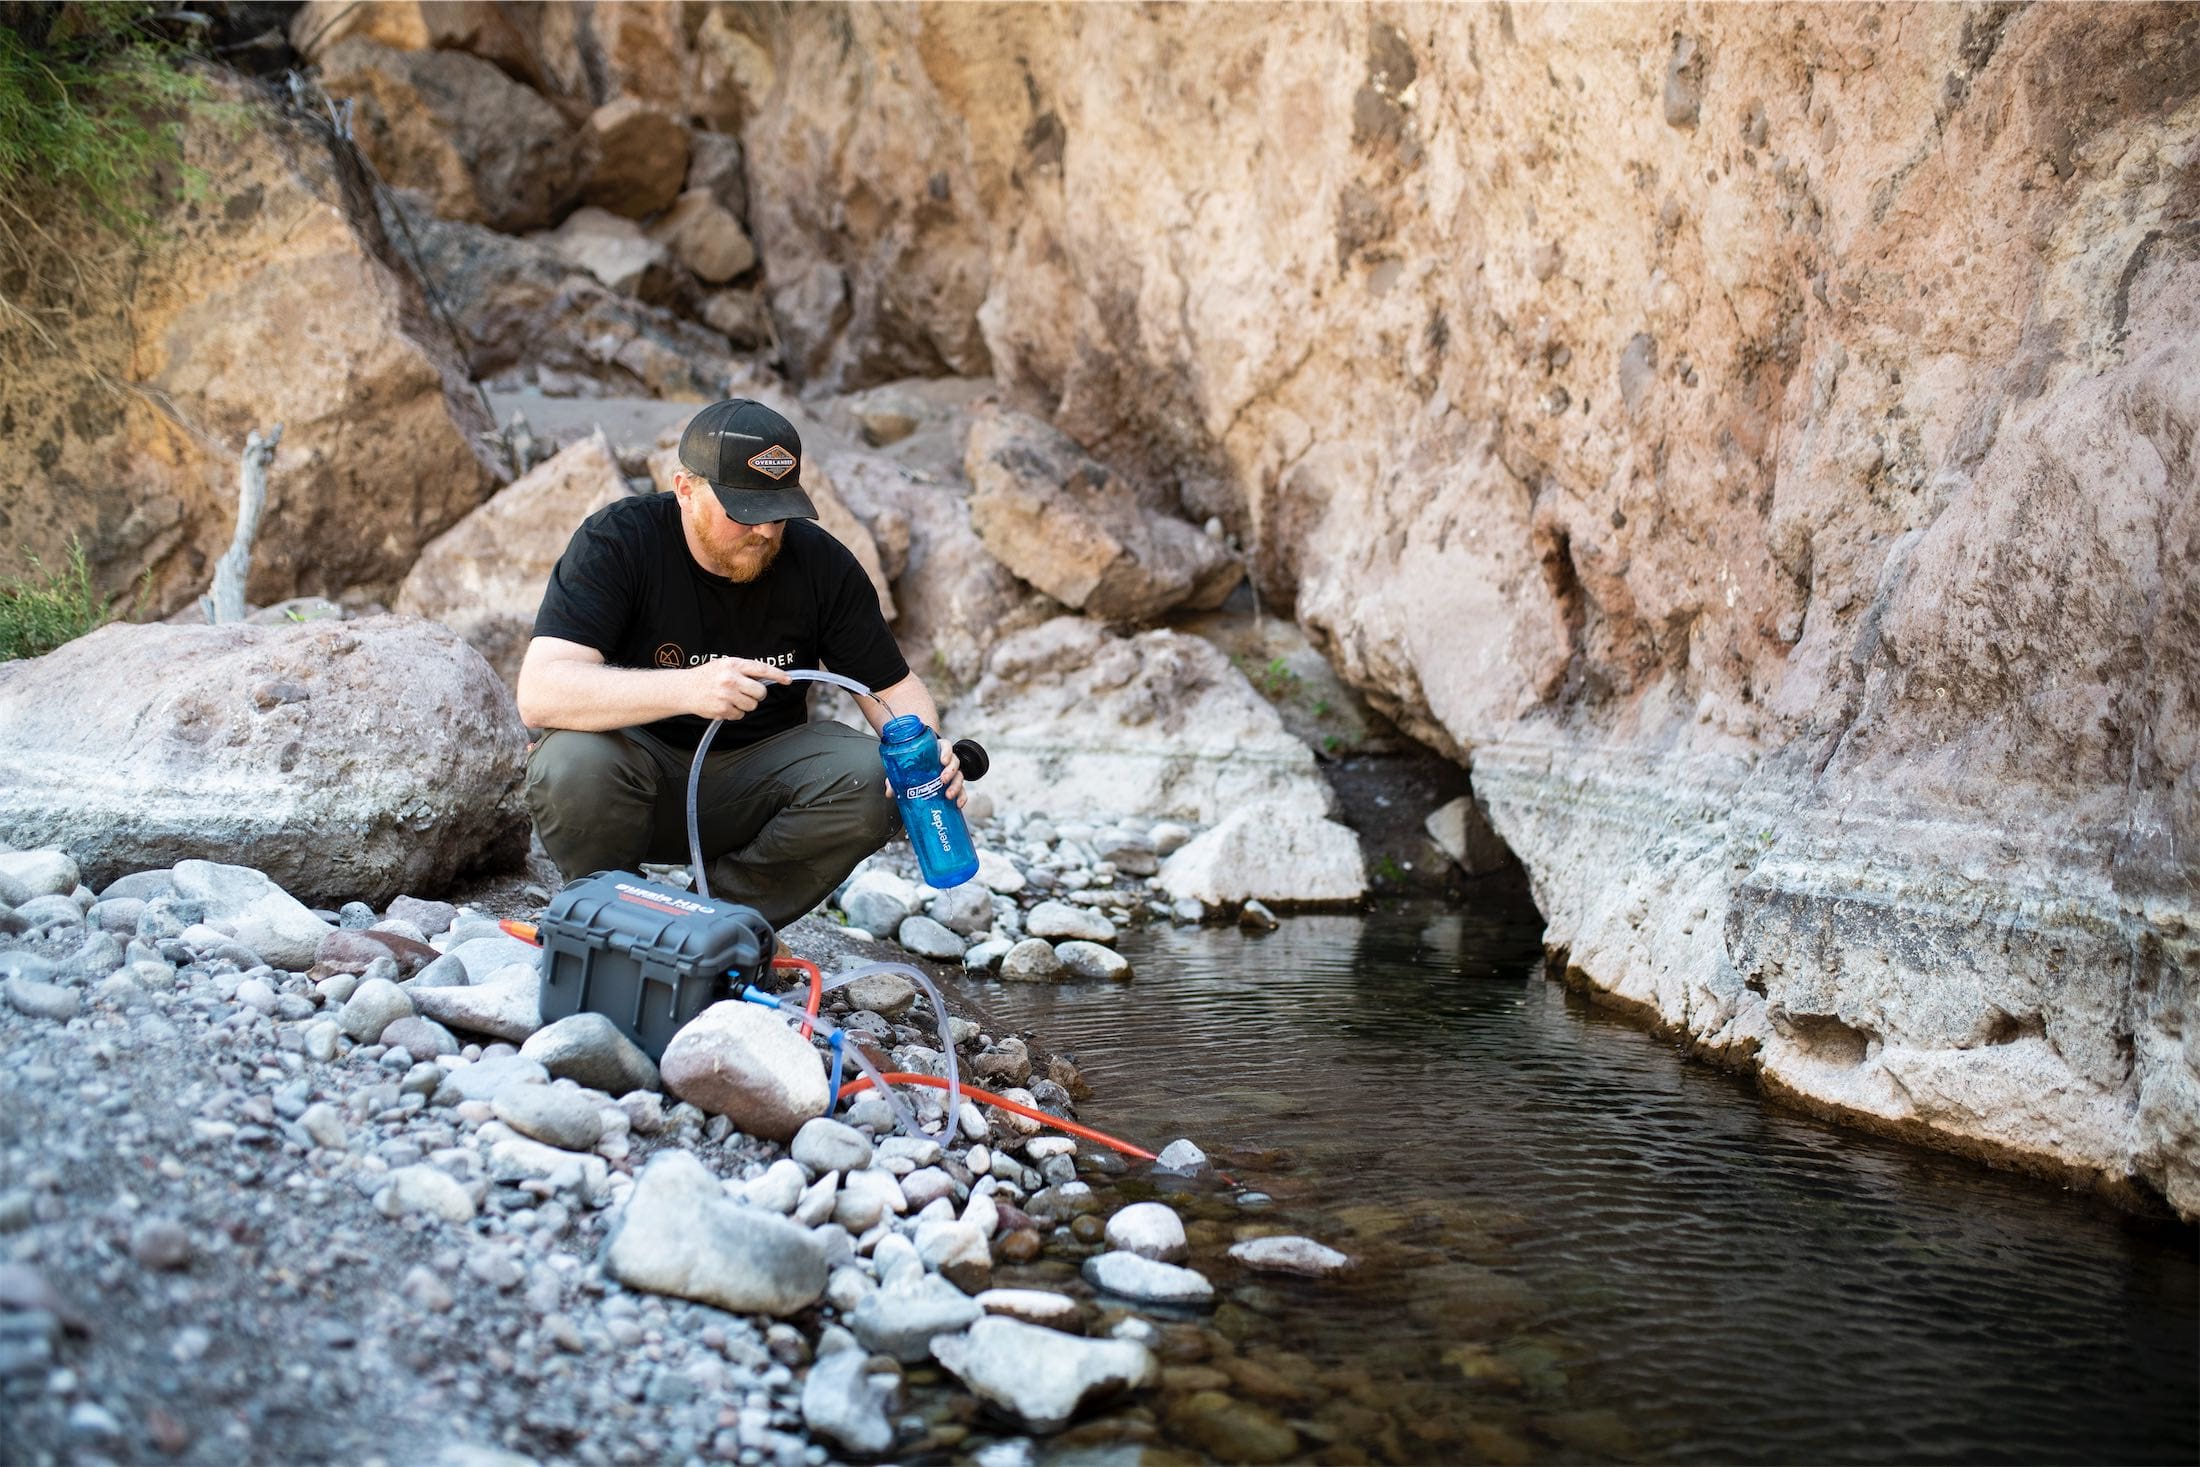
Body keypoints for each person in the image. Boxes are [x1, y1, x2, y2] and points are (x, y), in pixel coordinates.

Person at [515, 397, 963, 927]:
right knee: (571, 762)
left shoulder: (821, 564)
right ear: (685, 489)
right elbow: (540, 693)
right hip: (634, 783)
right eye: (745, 513)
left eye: (779, 512)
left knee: (880, 779)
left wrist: (927, 757)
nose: (767, 531)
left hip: (755, 793)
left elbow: (894, 689)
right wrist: (687, 688)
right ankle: (607, 913)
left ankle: (722, 921)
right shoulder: (618, 542)